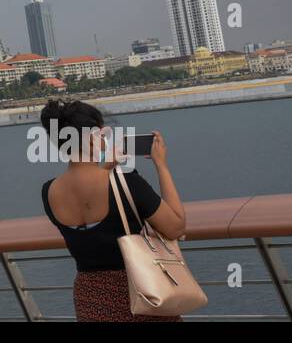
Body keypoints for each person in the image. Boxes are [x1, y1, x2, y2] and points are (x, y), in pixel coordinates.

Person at [38, 98, 187, 322]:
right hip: (140, 293)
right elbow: (175, 227)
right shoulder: (126, 182)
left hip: (90, 299)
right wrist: (161, 165)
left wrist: (106, 167)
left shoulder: (49, 191)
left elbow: (94, 224)